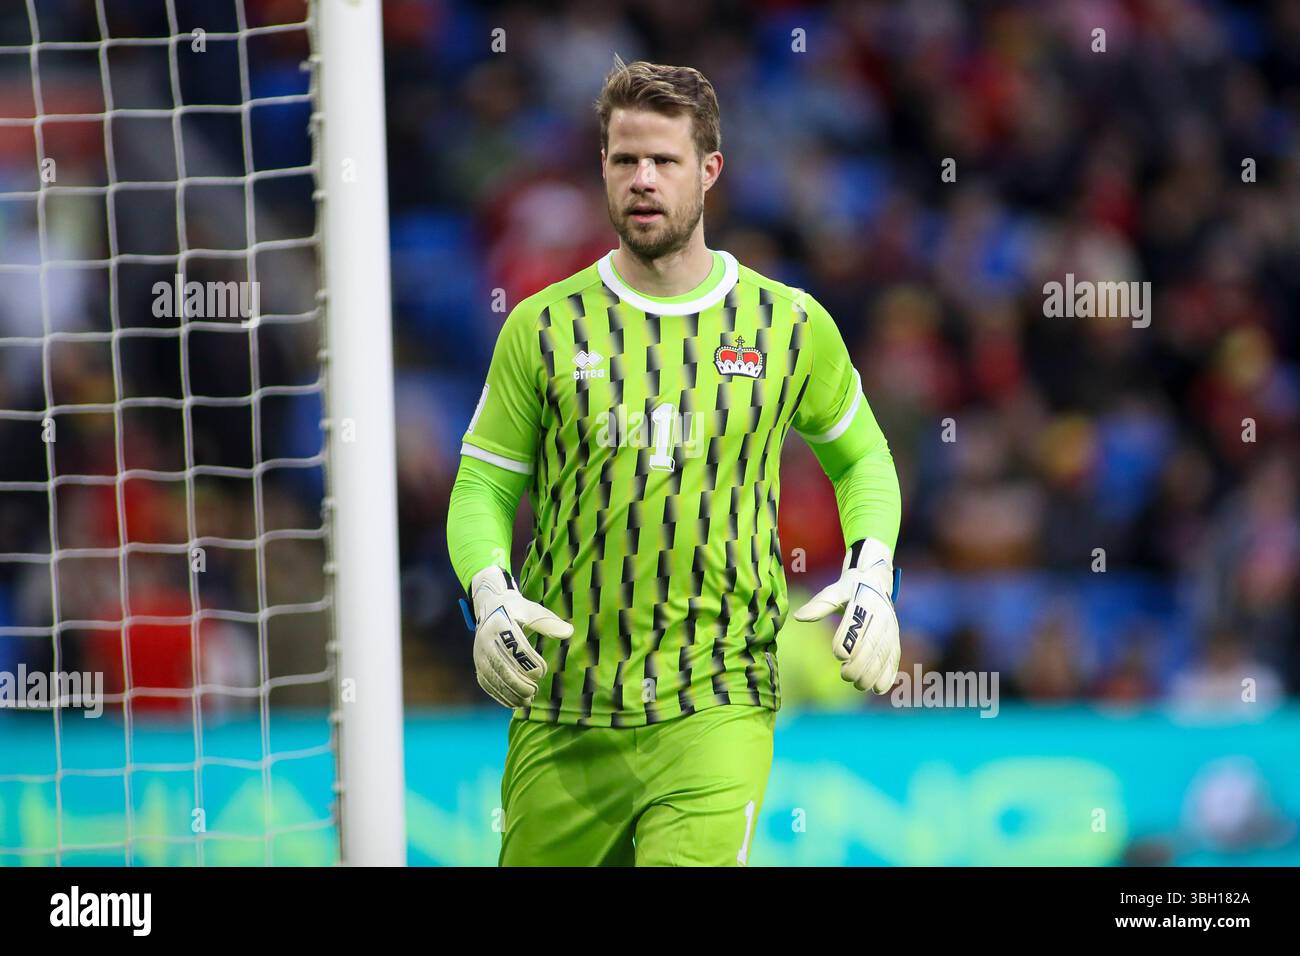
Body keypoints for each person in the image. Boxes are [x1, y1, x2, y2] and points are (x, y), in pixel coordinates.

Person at [445, 57, 902, 866]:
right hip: (564, 705)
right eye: (626, 160)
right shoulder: (542, 328)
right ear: (603, 169)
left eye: (665, 160)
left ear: (709, 171)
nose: (643, 179)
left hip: (718, 699)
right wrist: (487, 591)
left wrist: (872, 574)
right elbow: (483, 481)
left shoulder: (789, 324)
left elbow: (862, 457)